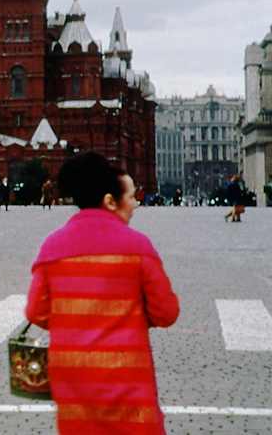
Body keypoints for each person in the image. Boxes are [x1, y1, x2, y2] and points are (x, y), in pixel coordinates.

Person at [26, 151, 179, 434]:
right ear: (109, 199)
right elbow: (166, 312)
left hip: (72, 379)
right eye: (131, 197)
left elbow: (36, 311)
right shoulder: (138, 246)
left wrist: (75, 321)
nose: (135, 204)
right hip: (127, 377)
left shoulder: (52, 247)